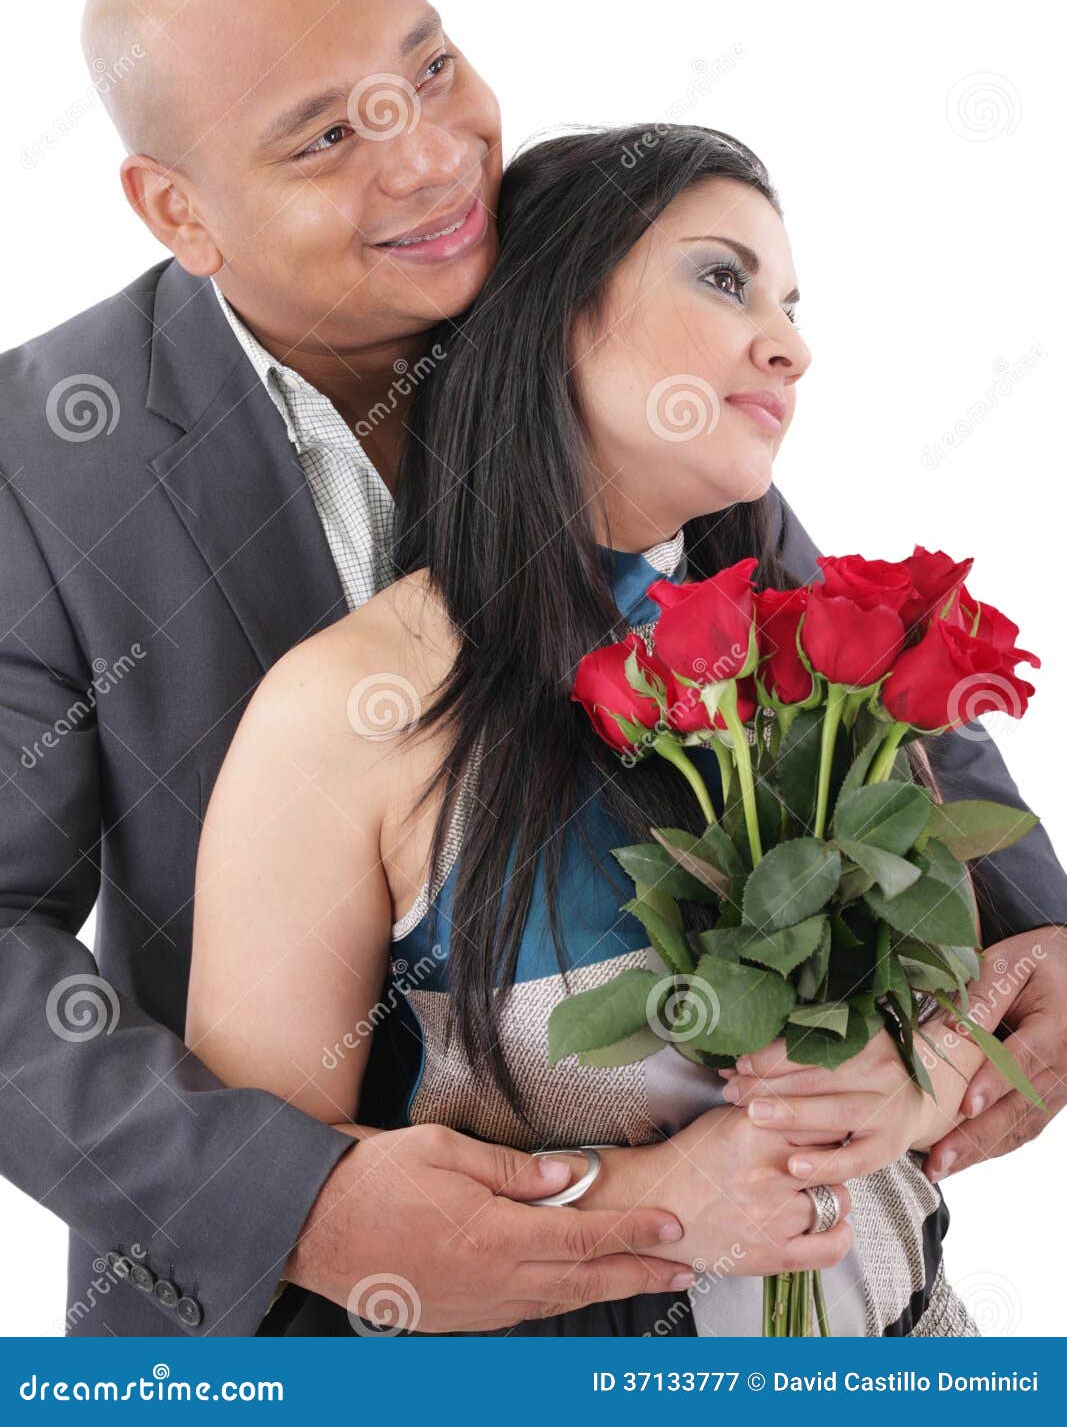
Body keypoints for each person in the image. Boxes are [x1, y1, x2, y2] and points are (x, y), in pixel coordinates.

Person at [1, 0, 1064, 1340]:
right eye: (326, 136)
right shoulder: (46, 465)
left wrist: (1030, 930)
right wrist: (301, 1198)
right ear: (177, 205)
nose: (432, 161)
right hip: (308, 1320)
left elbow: (812, 635)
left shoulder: (569, 298)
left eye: (430, 68)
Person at [187, 123, 1016, 1336]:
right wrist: (637, 1201)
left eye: (789, 301)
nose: (788, 345)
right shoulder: (346, 710)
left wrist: (909, 1079)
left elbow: (948, 992)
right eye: (723, 278)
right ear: (552, 310)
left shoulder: (812, 665)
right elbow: (257, 1201)